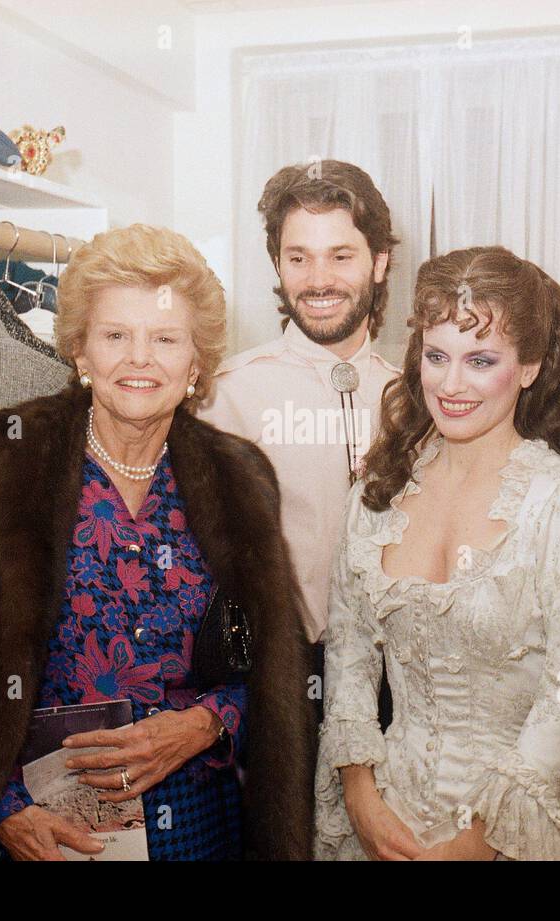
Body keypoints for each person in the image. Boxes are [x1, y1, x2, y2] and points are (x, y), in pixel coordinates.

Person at [0, 224, 315, 861]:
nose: (140, 359)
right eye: (116, 336)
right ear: (81, 352)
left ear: (196, 363)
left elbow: (277, 673)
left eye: (165, 339)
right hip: (44, 838)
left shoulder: (241, 481)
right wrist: (0, 810)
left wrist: (204, 723)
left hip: (201, 831)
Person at [315, 246, 560, 860]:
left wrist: (475, 844)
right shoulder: (378, 492)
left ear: (531, 366)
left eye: (481, 360)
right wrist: (359, 793)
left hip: (527, 833)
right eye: (437, 356)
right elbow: (348, 658)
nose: (451, 385)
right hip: (384, 828)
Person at [197, 159, 401, 647]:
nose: (318, 280)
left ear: (378, 263)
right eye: (299, 258)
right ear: (277, 265)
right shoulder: (224, 397)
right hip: (279, 685)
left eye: (340, 256)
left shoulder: (420, 396)